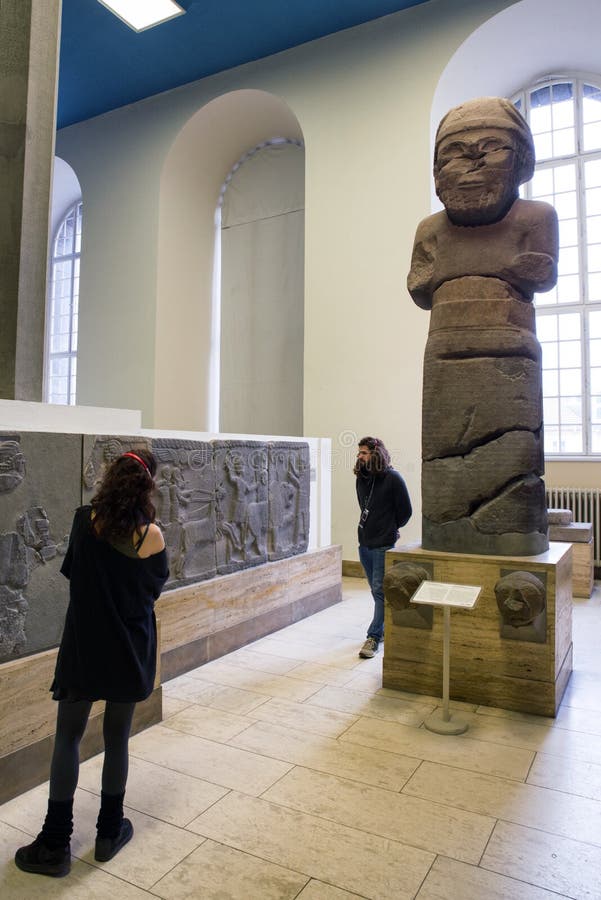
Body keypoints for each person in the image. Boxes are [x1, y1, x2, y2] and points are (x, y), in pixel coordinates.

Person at [407, 97, 558, 557]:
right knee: (443, 467)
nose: (472, 162)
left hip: (511, 354)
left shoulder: (535, 217)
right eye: (455, 152)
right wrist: (504, 265)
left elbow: (541, 273)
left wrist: (461, 272)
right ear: (436, 174)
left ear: (523, 161)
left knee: (514, 466)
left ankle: (508, 532)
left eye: (491, 148)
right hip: (444, 354)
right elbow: (418, 287)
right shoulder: (431, 229)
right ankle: (449, 528)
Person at [15, 450, 169, 878]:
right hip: (128, 650)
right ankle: (107, 833)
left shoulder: (86, 521)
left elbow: (75, 574)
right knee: (116, 738)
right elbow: (150, 590)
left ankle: (55, 843)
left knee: (68, 737)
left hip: (84, 646)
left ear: (110, 480)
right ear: (147, 486)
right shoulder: (151, 536)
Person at [354, 437, 412, 658]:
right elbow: (364, 507)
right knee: (375, 590)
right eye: (359, 453)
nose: (359, 456)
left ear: (376, 453)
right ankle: (383, 628)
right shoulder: (362, 478)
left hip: (383, 543)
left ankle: (374, 636)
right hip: (364, 542)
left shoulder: (393, 478)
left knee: (380, 590)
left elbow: (406, 511)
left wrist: (391, 527)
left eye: (364, 453)